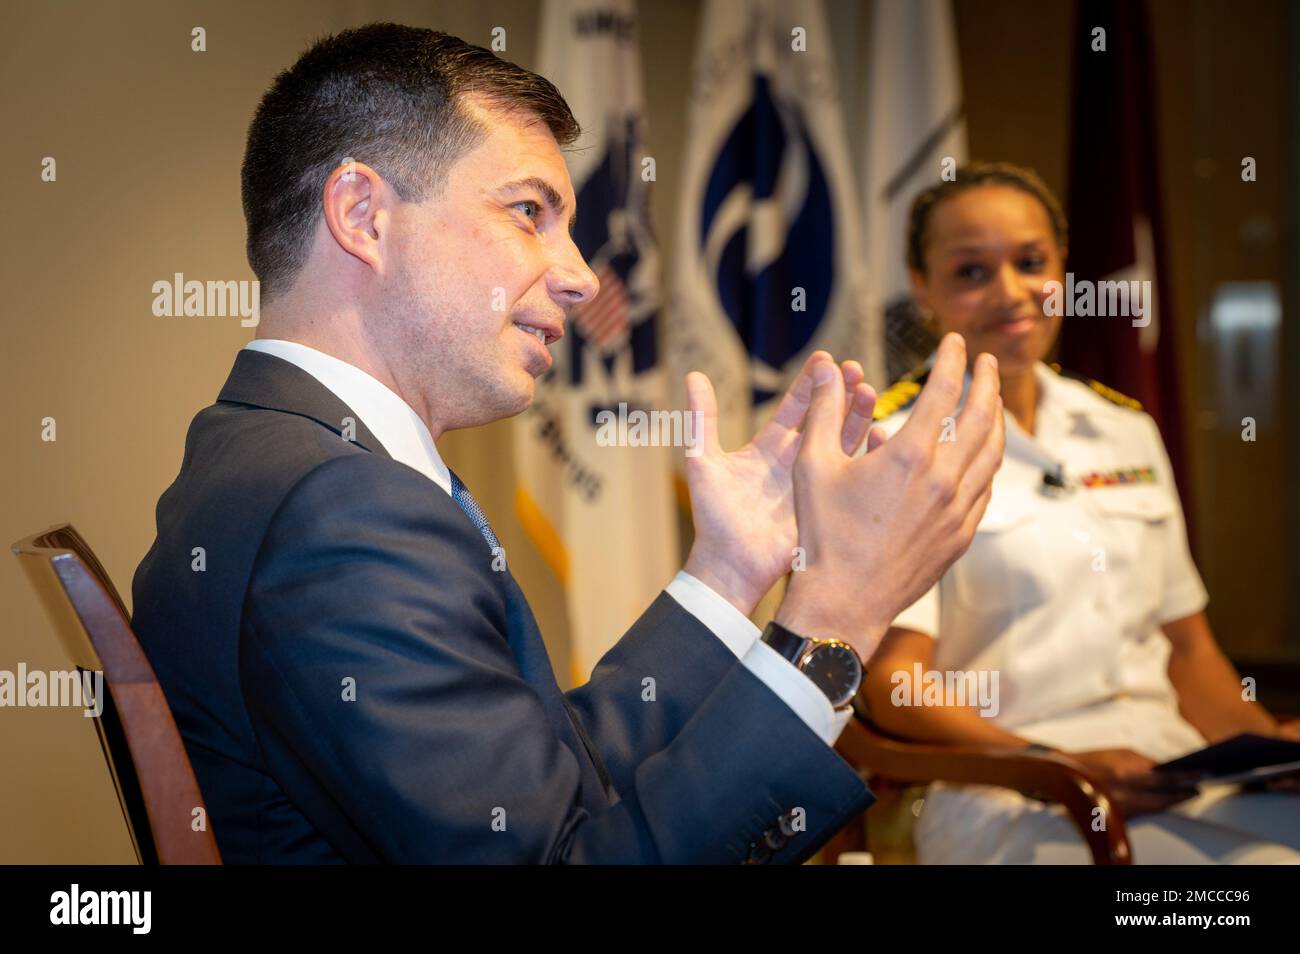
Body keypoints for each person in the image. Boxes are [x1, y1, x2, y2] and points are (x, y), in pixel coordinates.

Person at [130, 23, 1005, 864]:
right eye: (529, 212)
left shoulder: (268, 457)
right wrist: (836, 621)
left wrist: (730, 571)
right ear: (362, 215)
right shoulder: (337, 509)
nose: (583, 276)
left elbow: (546, 787)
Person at [861, 160, 1300, 864]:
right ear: (923, 288)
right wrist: (1060, 761)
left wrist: (1265, 752)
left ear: (1062, 267)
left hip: (1170, 768)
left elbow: (1189, 652)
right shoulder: (897, 446)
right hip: (1008, 789)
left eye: (1031, 262)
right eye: (971, 272)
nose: (1010, 293)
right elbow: (891, 685)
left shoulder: (1124, 428)